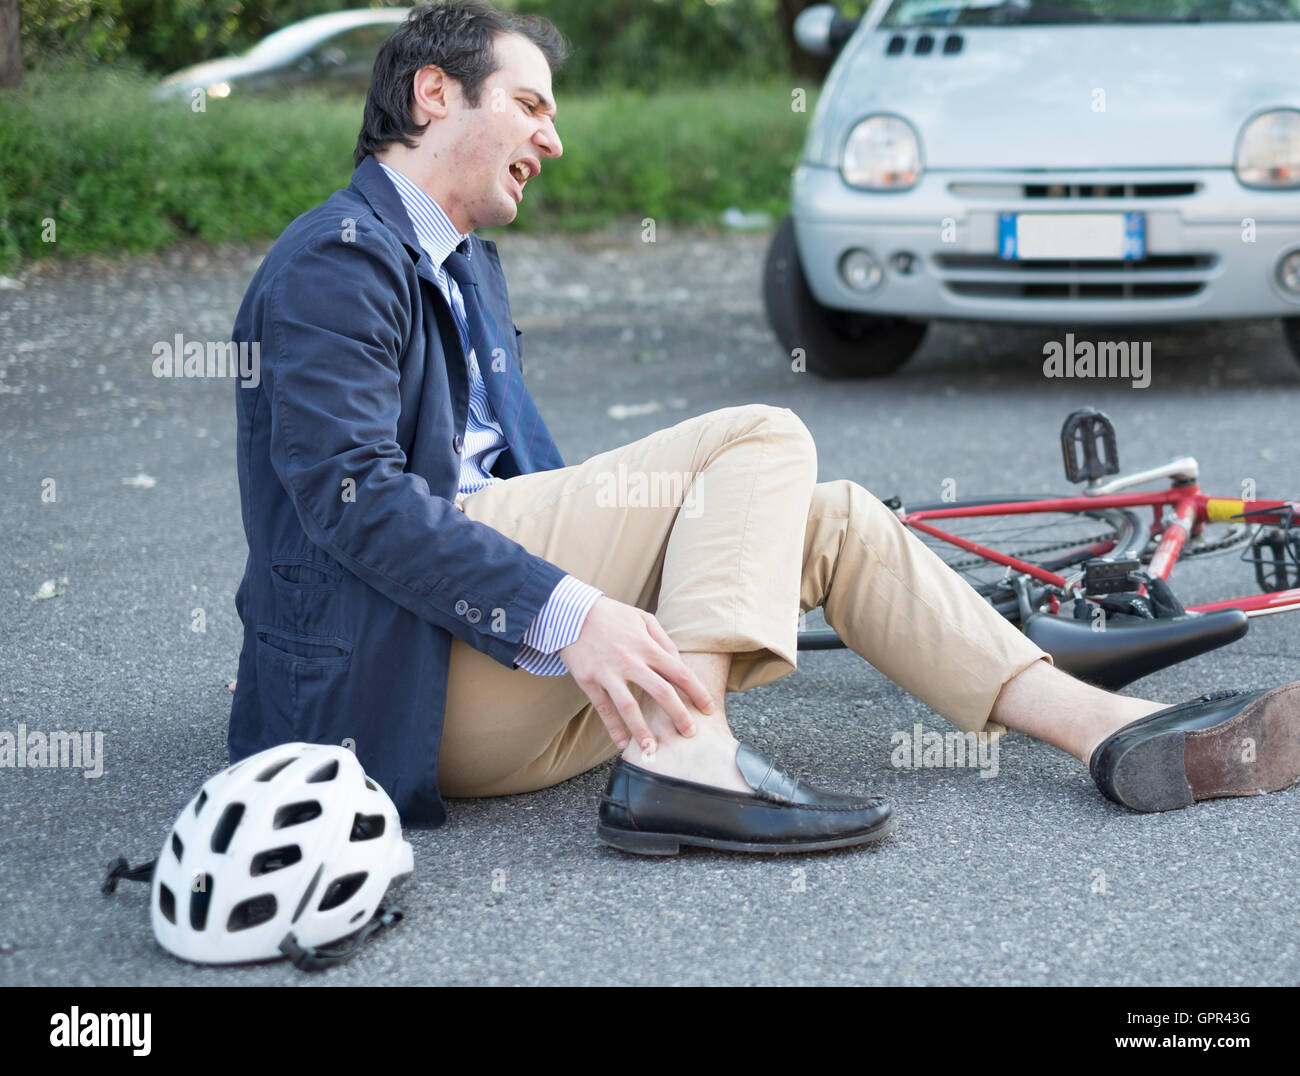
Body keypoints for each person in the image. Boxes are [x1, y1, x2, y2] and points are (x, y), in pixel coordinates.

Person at [228, 0, 1300, 854]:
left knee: (828, 517)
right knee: (758, 435)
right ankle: (690, 760)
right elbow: (349, 493)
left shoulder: (465, 266)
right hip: (394, 694)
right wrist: (572, 610)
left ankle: (1101, 733)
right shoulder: (340, 259)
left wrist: (614, 591)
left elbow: (541, 481)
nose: (552, 139)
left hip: (497, 692)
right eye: (530, 104)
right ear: (432, 92)